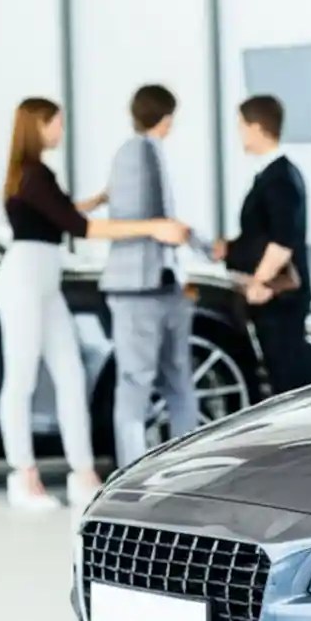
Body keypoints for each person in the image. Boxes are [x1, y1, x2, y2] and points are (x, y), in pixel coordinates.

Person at [0, 97, 189, 512]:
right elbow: (79, 228)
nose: (61, 130)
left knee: (71, 374)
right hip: (24, 281)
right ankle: (23, 475)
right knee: (22, 379)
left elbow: (62, 214)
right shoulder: (30, 175)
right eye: (57, 123)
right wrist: (152, 226)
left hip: (44, 282)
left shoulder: (36, 175)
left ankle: (83, 474)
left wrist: (99, 198)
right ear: (40, 126)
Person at [101, 85, 207, 467]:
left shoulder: (139, 152)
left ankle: (187, 468)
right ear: (166, 117)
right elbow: (152, 221)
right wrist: (201, 245)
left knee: (176, 379)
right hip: (140, 287)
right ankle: (133, 473)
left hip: (163, 285)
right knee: (138, 382)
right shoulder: (138, 151)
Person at [218, 95, 311, 394]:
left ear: (257, 128)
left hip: (280, 296)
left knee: (290, 372)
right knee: (284, 369)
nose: (240, 134)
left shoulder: (280, 178)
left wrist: (259, 282)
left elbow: (282, 242)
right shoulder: (273, 175)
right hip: (275, 296)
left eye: (241, 127)